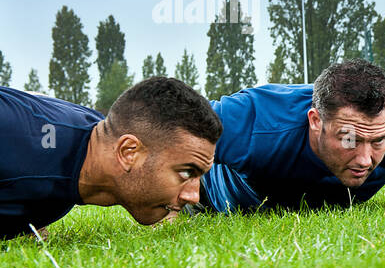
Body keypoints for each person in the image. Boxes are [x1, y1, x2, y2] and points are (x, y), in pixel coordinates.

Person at [198, 59, 385, 213]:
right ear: (315, 121)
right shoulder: (255, 119)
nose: (365, 159)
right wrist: (172, 206)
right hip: (216, 197)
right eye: (349, 140)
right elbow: (173, 128)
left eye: (379, 141)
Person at [1, 77, 221, 239]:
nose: (194, 196)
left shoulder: (98, 138)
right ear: (128, 153)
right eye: (185, 172)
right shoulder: (19, 133)